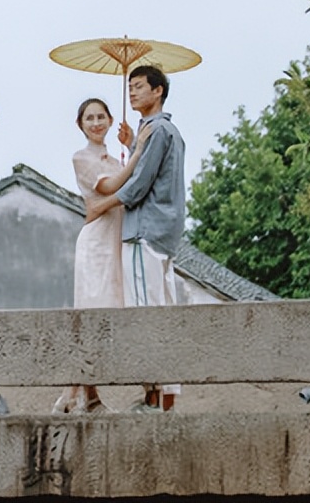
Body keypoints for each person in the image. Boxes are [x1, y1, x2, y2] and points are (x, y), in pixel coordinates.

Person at [89, 64, 186, 412]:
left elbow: (139, 184)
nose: (132, 92)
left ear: (158, 91)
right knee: (162, 310)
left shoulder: (158, 130)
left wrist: (103, 205)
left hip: (144, 230)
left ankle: (153, 395)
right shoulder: (159, 131)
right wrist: (132, 146)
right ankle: (166, 398)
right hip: (162, 232)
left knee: (144, 312)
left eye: (140, 86)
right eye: (130, 87)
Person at [52, 97, 153, 414]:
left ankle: (79, 394)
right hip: (97, 243)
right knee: (93, 311)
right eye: (89, 118)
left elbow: (133, 187)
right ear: (81, 125)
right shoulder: (82, 158)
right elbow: (109, 187)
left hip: (118, 240)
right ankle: (83, 392)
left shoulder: (117, 157)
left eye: (101, 117)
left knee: (118, 308)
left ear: (111, 121)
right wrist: (137, 152)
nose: (96, 123)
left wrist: (130, 147)